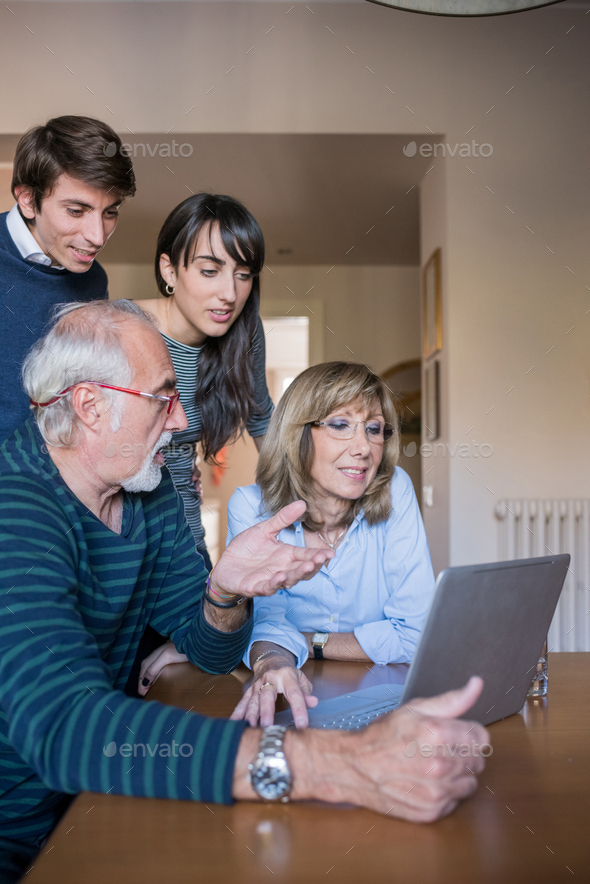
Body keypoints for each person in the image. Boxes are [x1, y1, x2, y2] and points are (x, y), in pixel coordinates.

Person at [0, 299, 333, 882]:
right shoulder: (16, 504)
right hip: (16, 830)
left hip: (90, 800)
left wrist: (225, 589)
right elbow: (65, 729)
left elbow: (211, 651)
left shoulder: (143, 491)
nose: (182, 421)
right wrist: (327, 764)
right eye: (163, 399)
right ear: (90, 406)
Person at [226, 362, 436, 729]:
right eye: (340, 425)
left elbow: (417, 637)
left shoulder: (396, 490)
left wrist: (305, 642)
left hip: (385, 703)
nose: (364, 448)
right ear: (299, 433)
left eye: (374, 429)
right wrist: (273, 662)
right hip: (293, 705)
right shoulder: (250, 508)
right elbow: (259, 626)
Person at [135, 193, 274, 570]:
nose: (229, 294)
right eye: (209, 271)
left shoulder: (245, 334)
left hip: (186, 535)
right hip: (121, 538)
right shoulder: (123, 328)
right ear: (169, 270)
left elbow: (261, 419)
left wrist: (311, 494)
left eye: (243, 274)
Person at [0, 115, 136, 443]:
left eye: (110, 212)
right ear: (28, 200)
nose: (97, 236)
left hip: (57, 482)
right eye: (76, 211)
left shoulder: (93, 282)